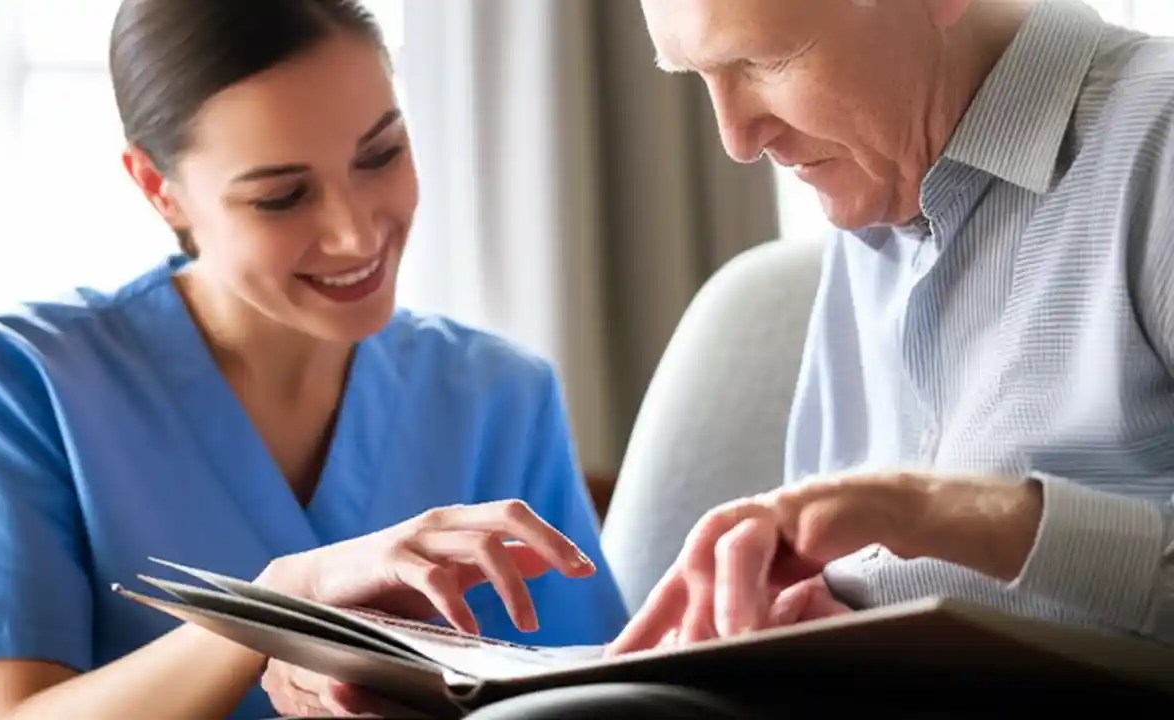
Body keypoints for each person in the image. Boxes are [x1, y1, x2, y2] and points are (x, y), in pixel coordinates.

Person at [0, 1, 630, 718]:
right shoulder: (21, 378)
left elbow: (585, 697)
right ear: (158, 189)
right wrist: (288, 601)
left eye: (380, 155)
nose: (354, 234)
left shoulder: (501, 394)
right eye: (281, 197)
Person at [474, 0, 1174, 716]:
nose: (737, 140)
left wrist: (953, 515)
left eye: (766, 62)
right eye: (696, 75)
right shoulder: (879, 189)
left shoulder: (1159, 143)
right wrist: (804, 618)